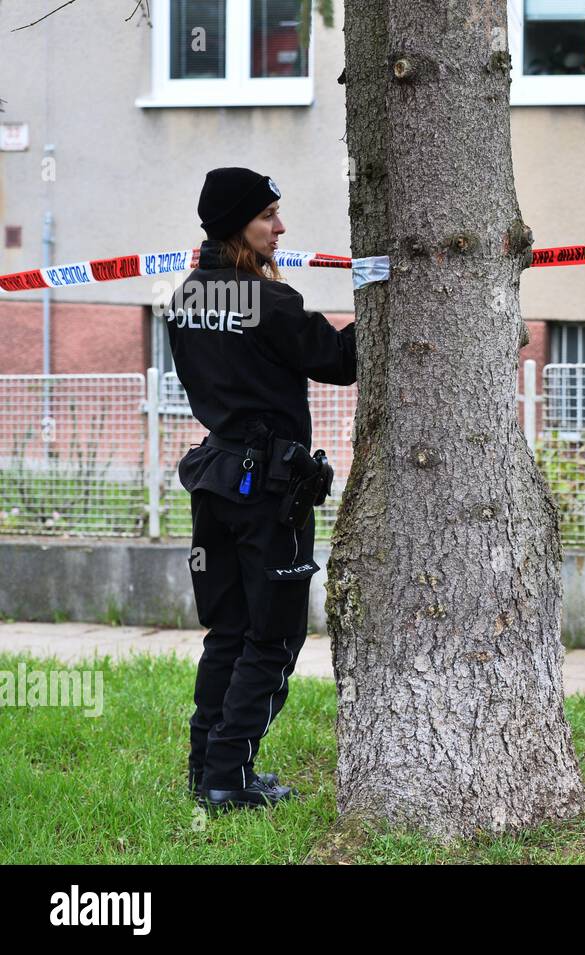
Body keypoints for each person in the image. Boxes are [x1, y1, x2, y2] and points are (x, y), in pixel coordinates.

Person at [167, 167, 358, 811]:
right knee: (273, 636)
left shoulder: (185, 296)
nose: (281, 228)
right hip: (270, 487)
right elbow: (338, 360)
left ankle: (205, 772)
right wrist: (383, 293)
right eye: (268, 215)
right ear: (236, 226)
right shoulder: (270, 302)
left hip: (216, 477)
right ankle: (228, 778)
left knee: (227, 631)